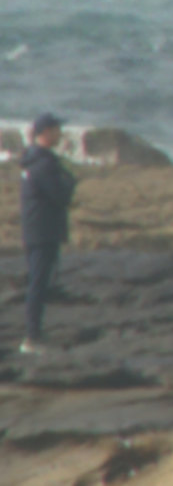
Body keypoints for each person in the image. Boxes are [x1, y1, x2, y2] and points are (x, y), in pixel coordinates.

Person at [19, 113, 76, 355]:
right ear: (45, 133)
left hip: (35, 229)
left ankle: (35, 334)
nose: (60, 134)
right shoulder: (43, 164)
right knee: (39, 283)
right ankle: (32, 338)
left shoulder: (33, 160)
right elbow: (61, 196)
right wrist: (69, 182)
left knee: (39, 281)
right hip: (43, 231)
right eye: (56, 129)